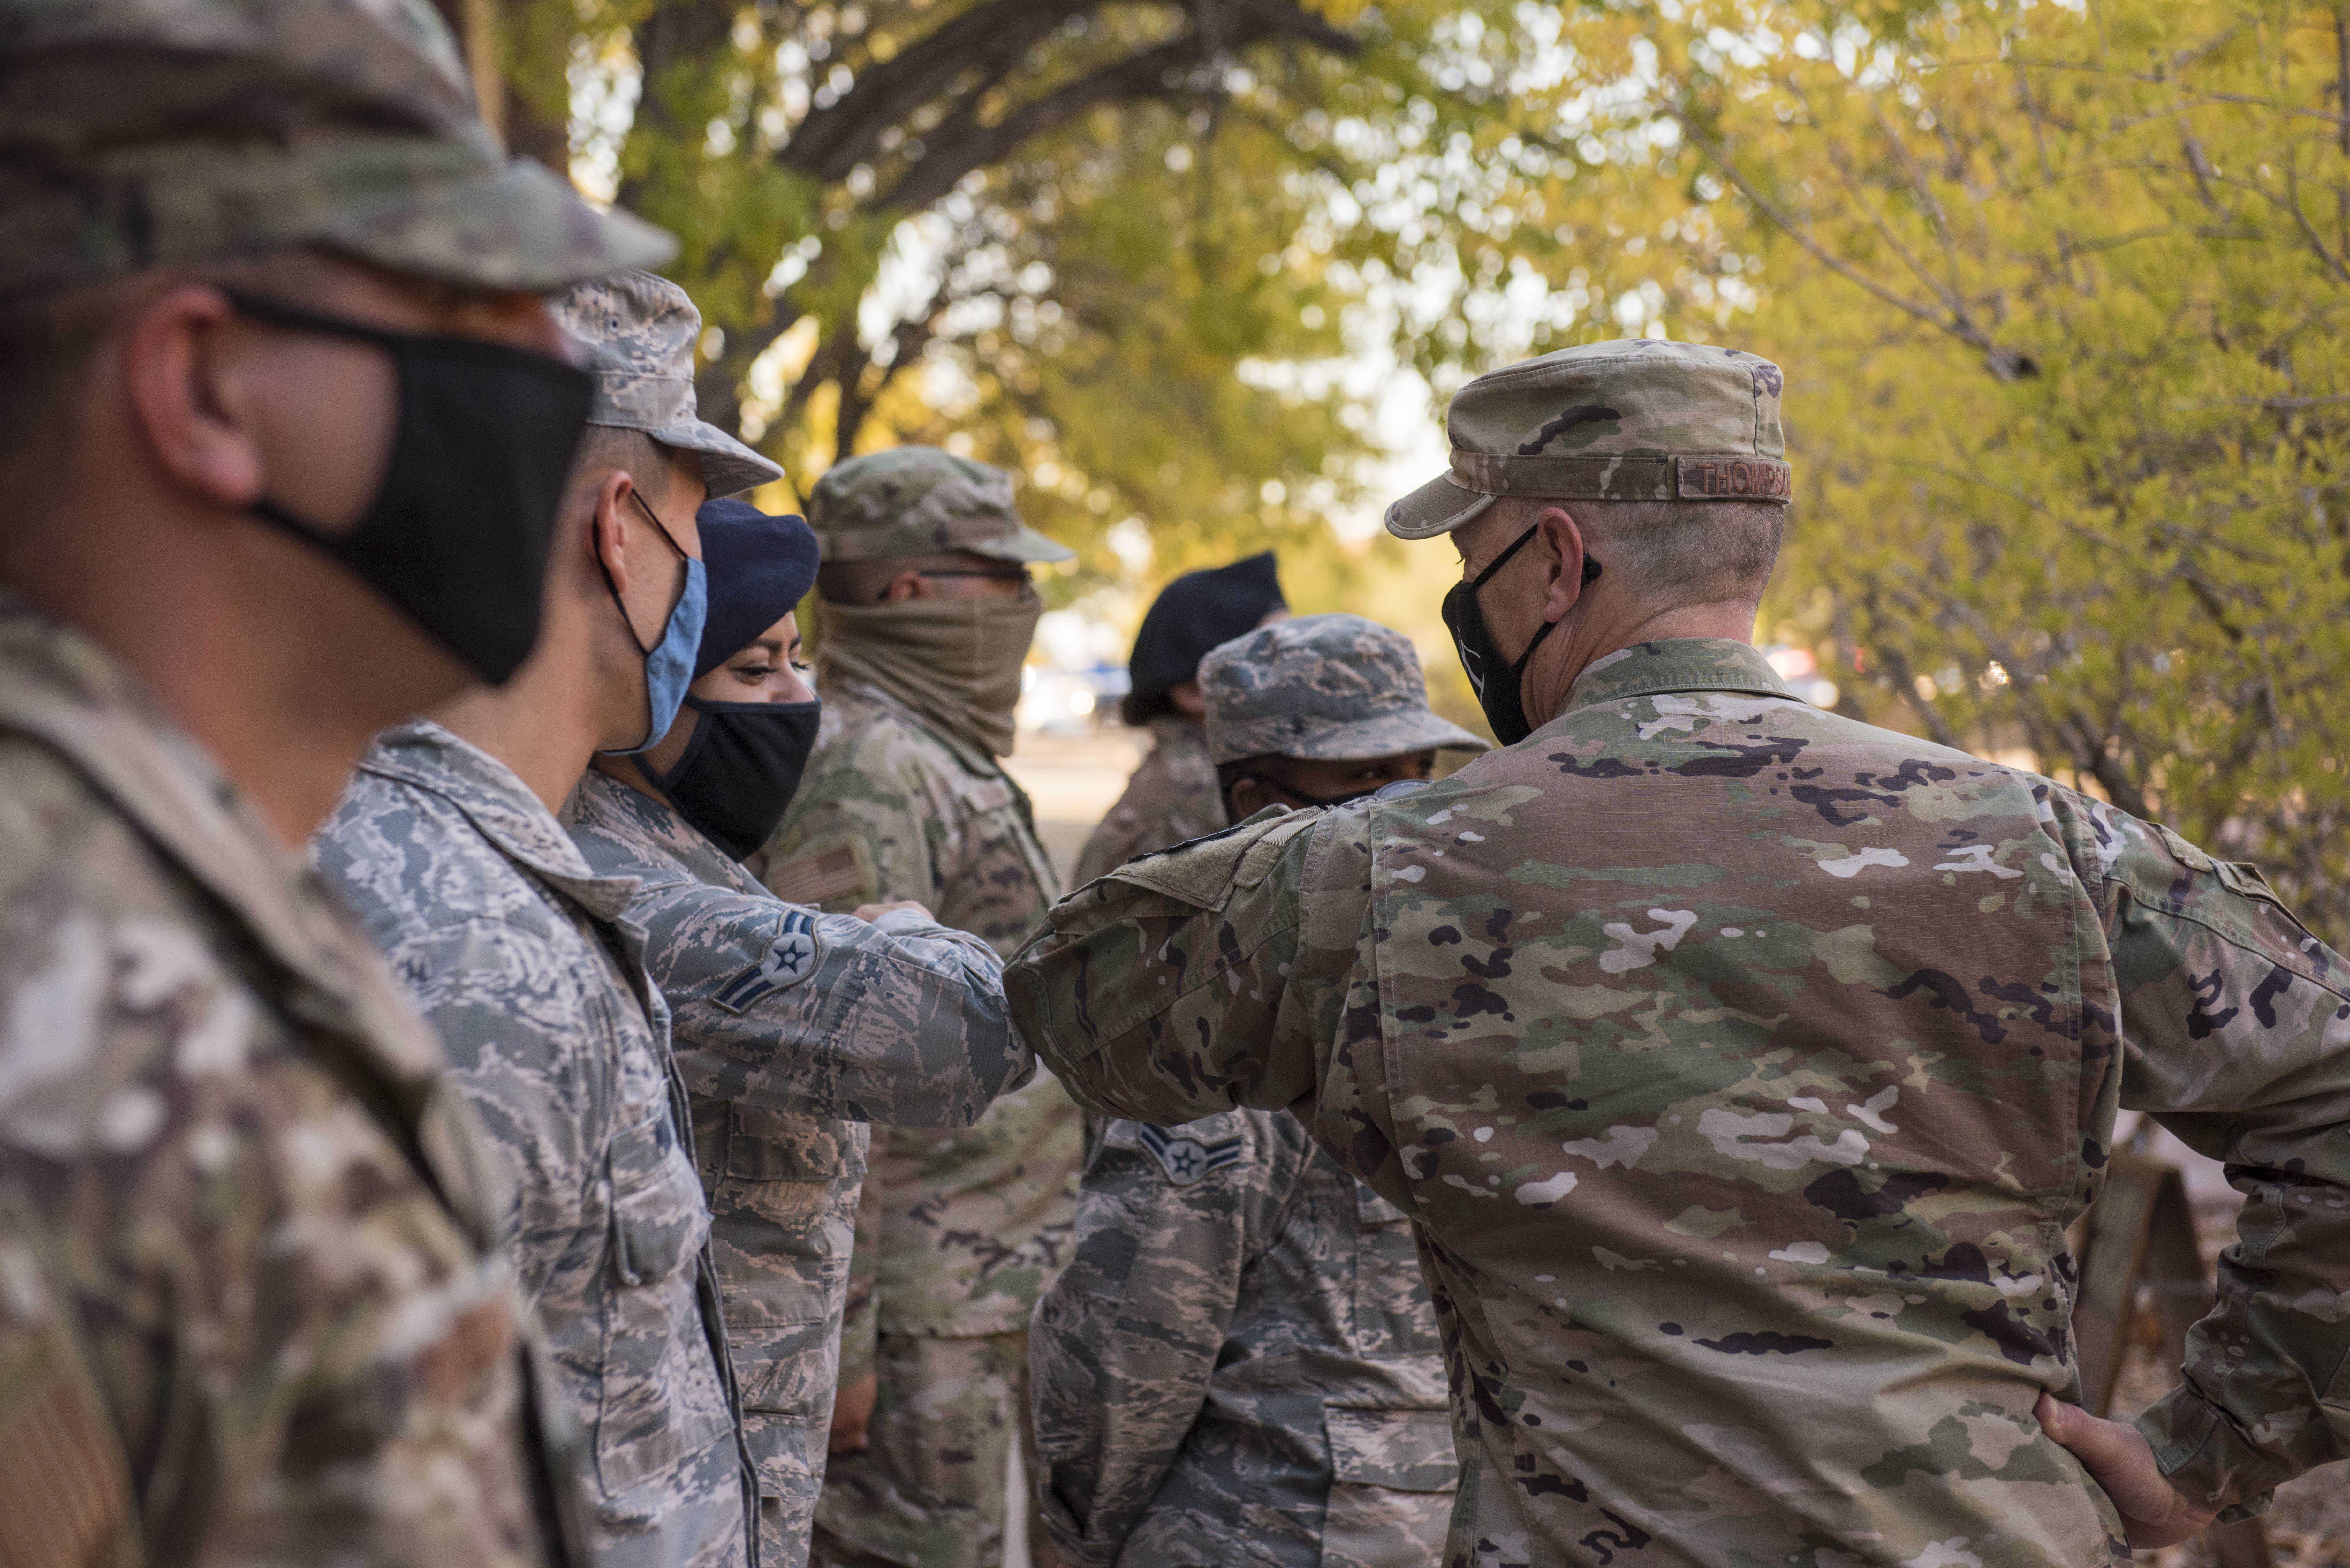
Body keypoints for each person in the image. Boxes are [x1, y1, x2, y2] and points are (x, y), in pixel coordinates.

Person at [1003, 339, 2350, 1568]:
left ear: (1556, 562)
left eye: (1471, 568)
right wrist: (2199, 1458)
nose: (1468, 611)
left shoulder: (1378, 873)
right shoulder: (2054, 850)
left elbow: (1072, 995)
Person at [0, 0, 672, 1560]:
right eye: (469, 297)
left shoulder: (194, 906)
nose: (559, 364)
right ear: (208, 385)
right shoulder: (48, 1001)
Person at [314, 270, 784, 1568]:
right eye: (695, 522)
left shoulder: (448, 855)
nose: (704, 571)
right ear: (618, 527)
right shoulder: (459, 929)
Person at [566, 498, 1029, 1568]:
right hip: (671, 1481)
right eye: (752, 670)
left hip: (735, 1453)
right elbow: (963, 1029)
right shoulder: (623, 882)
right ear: (655, 691)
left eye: (798, 659)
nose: (795, 698)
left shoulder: (691, 854)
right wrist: (905, 932)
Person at [1030, 613, 1483, 1568]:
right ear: (1249, 797)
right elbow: (1132, 1335)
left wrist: (1076, 1535)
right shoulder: (1221, 1031)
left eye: (1417, 775)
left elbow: (1120, 1355)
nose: (1397, 808)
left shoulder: (1216, 1018)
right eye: (1361, 781)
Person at [759, 447, 1085, 1568]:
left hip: (984, 1282)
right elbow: (842, 1071)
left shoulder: (934, 750)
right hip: (917, 1313)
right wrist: (841, 1345)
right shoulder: (867, 765)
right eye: (1002, 578)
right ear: (909, 590)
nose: (1024, 605)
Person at [1071, 551, 1288, 885]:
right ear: (1195, 690)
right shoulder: (1191, 799)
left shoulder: (1224, 778)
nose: (1303, 669)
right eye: (1274, 653)